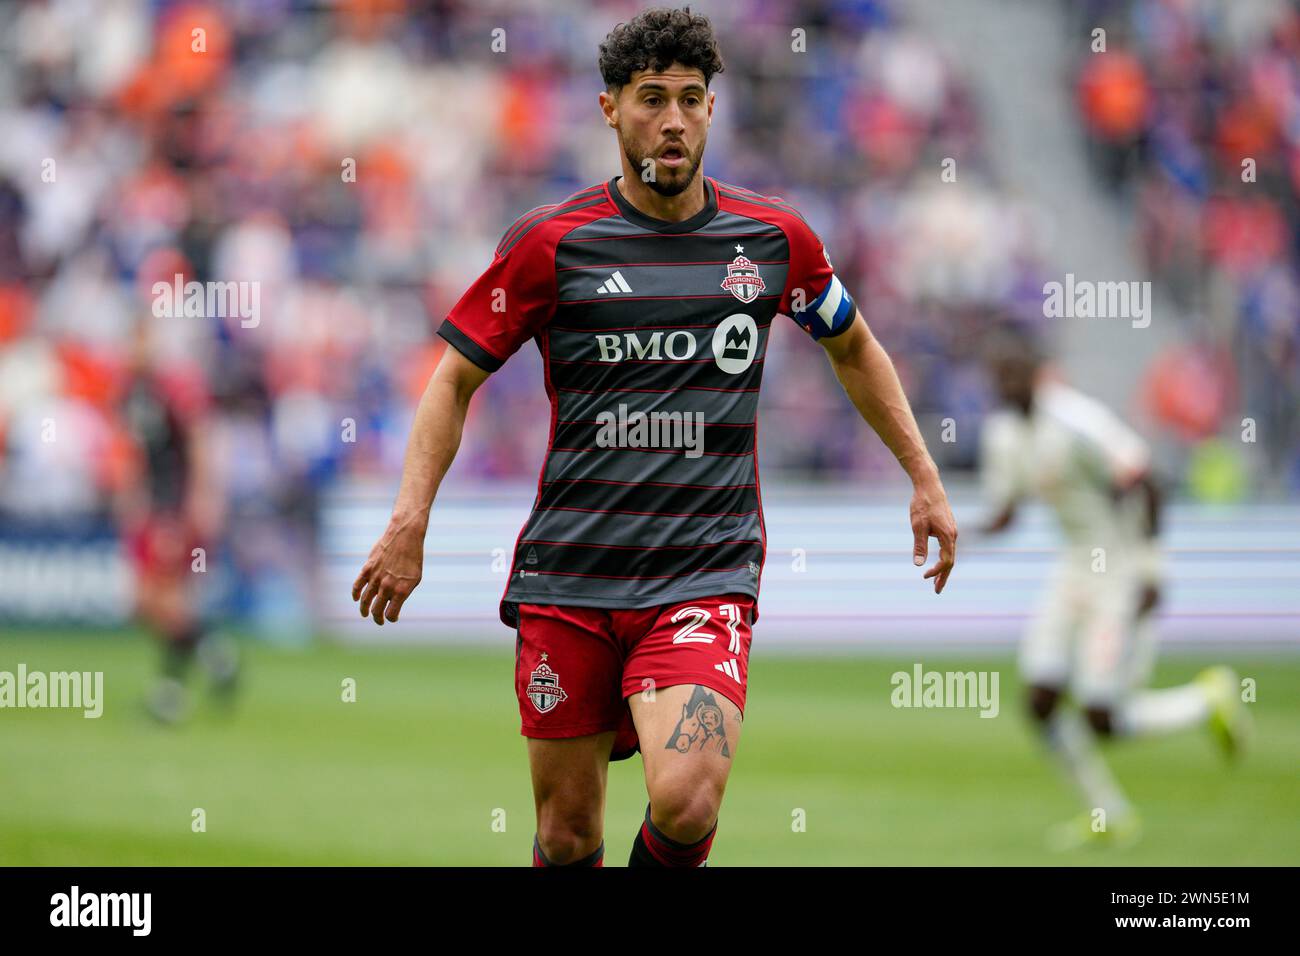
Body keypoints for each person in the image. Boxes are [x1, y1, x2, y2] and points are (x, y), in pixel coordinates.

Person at [352, 7, 957, 867]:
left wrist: (925, 478)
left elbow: (854, 346)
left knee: (687, 794)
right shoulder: (551, 245)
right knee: (567, 835)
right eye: (650, 100)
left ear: (712, 108)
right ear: (610, 109)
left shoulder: (773, 240)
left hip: (702, 570)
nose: (671, 120)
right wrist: (411, 520)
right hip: (572, 571)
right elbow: (453, 377)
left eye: (689, 99)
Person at [978, 331, 1250, 850]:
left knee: (1101, 716)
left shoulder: (1077, 419)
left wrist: (1151, 569)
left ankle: (1205, 699)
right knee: (1039, 700)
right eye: (998, 375)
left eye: (1013, 371)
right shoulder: (1004, 434)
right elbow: (1007, 511)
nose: (1005, 383)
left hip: (1118, 567)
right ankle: (1108, 813)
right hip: (1073, 567)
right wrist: (953, 534)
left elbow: (1146, 480)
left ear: (1036, 370)